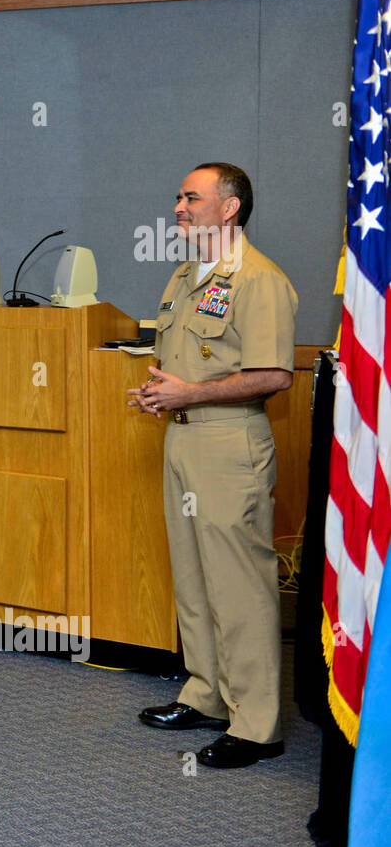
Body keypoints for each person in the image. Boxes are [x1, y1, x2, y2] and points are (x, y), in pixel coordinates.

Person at [127, 162, 297, 770]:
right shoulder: (183, 273)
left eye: (191, 197)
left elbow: (275, 375)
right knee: (195, 576)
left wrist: (188, 395)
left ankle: (256, 725)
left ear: (229, 208)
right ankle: (206, 695)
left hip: (230, 445)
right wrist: (160, 394)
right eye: (176, 196)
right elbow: (186, 363)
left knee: (240, 586)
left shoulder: (258, 278)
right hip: (181, 440)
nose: (178, 206)